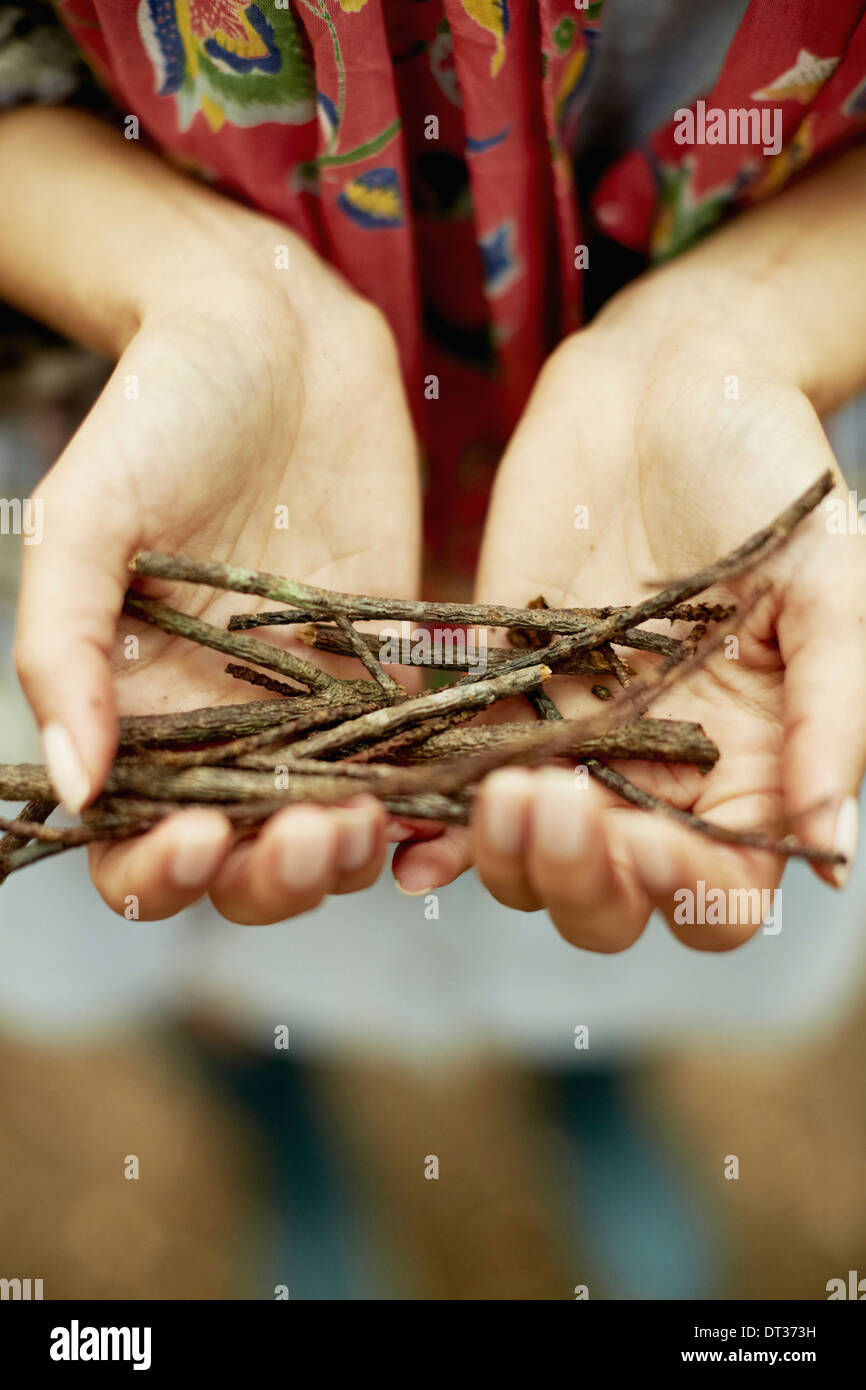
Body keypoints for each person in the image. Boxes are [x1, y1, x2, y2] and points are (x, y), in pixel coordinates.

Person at [0, 0, 863, 953]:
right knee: (200, 907)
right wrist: (195, 283)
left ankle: (581, 1068)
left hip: (768, 454)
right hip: (145, 468)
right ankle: (252, 1053)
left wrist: (757, 329)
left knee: (596, 884)